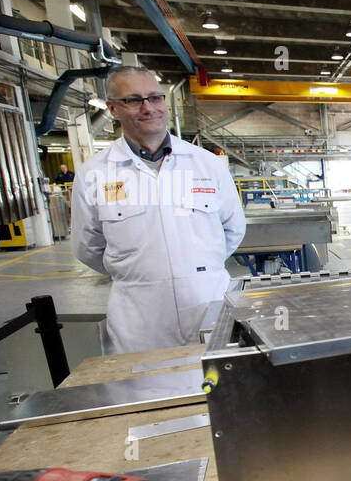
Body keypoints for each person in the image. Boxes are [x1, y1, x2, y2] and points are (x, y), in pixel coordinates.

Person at [72, 65, 245, 353]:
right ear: (113, 109)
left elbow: (233, 229)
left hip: (209, 304)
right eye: (133, 100)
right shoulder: (95, 173)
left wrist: (193, 267)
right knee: (149, 392)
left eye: (155, 97)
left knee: (221, 388)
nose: (148, 107)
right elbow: (87, 246)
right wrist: (144, 271)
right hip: (140, 318)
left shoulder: (206, 164)